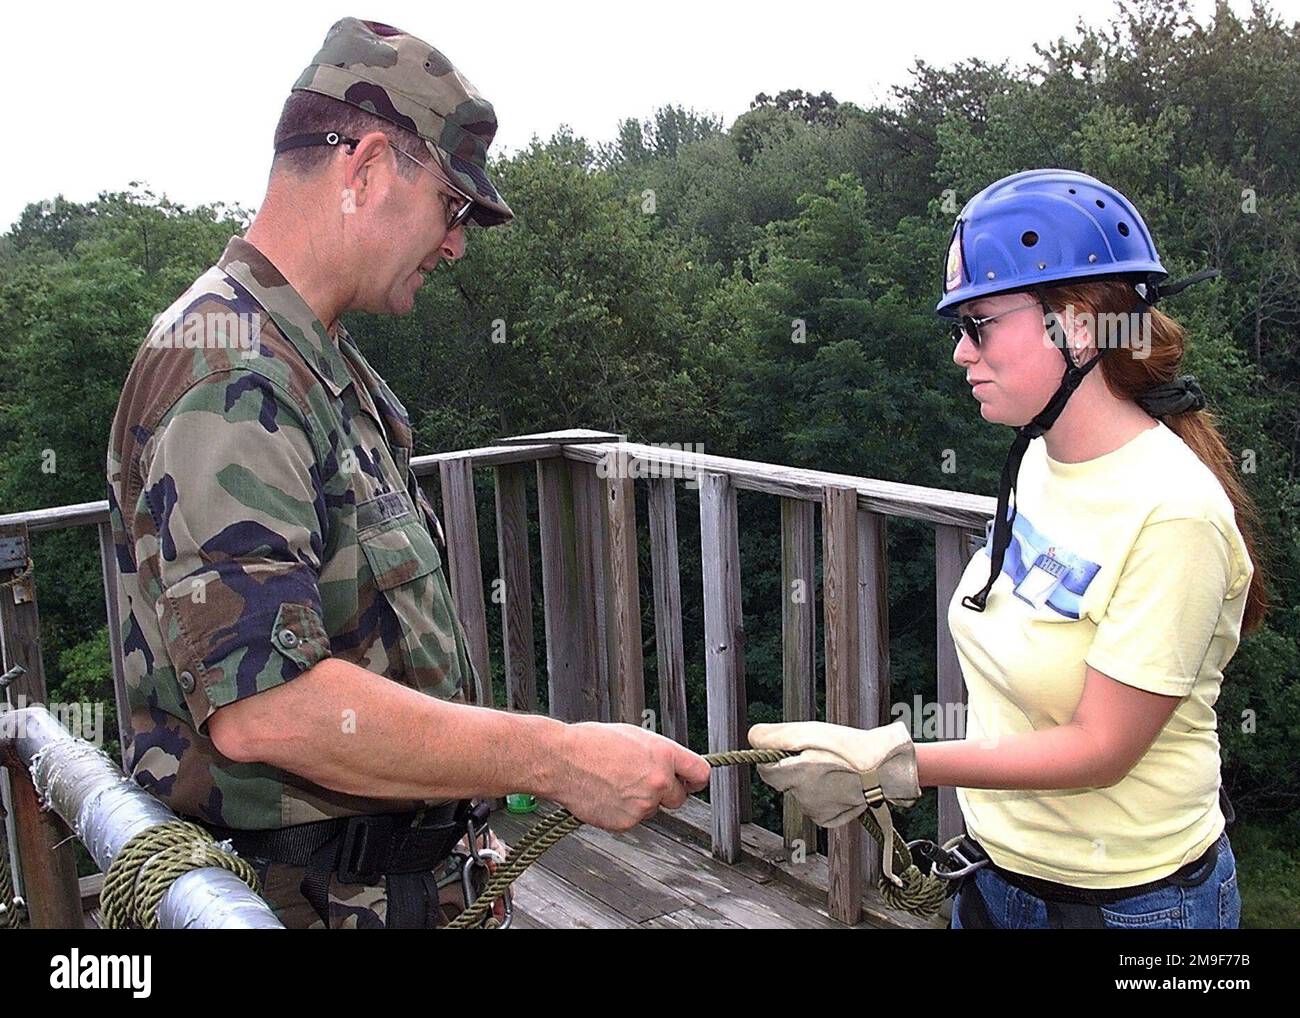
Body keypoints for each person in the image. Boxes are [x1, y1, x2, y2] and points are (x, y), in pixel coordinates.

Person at [106, 17, 709, 930]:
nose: (457, 244)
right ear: (369, 167)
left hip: (399, 886)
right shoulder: (229, 368)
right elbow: (269, 711)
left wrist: (459, 832)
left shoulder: (313, 358)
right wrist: (554, 759)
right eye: (452, 208)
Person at [750, 168, 1266, 929]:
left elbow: (1101, 749)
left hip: (1135, 906)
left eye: (980, 324)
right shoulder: (1035, 460)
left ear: (1080, 325)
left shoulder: (1175, 512)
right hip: (996, 881)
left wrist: (898, 764)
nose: (961, 352)